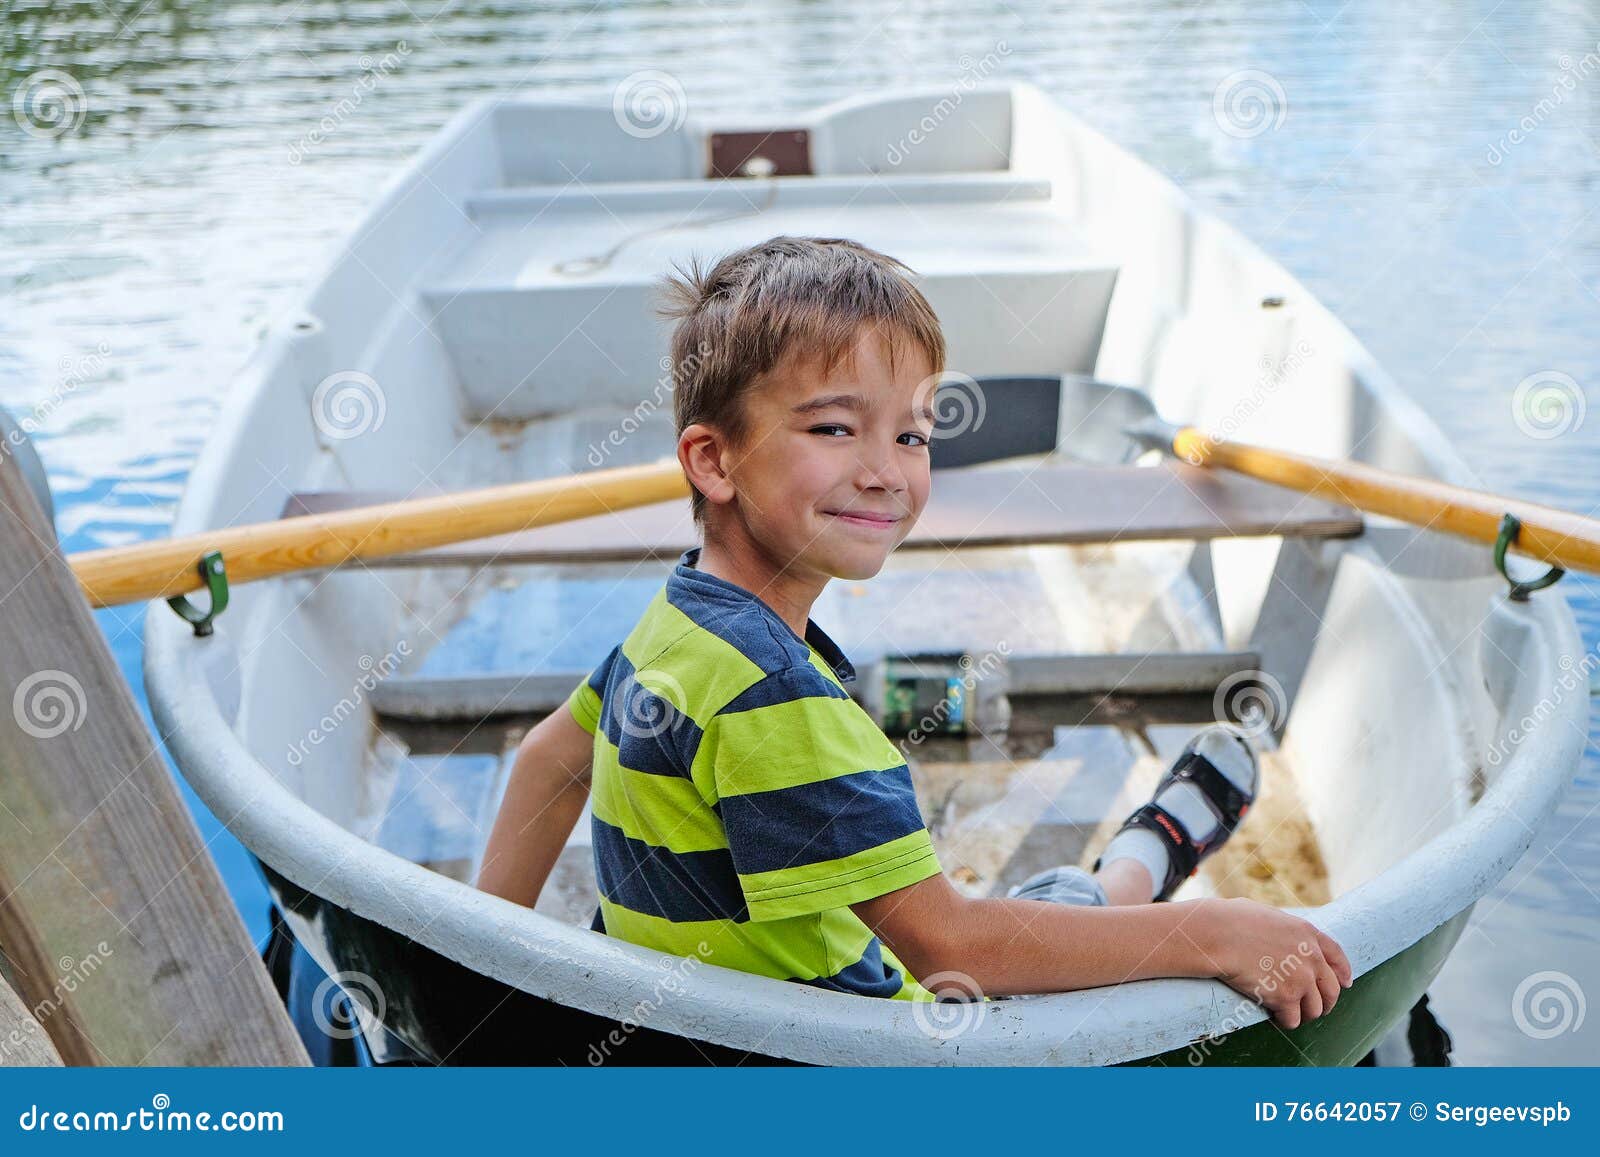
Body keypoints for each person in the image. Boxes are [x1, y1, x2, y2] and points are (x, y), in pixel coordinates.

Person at [477, 235, 1350, 1029]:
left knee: (1051, 908)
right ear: (714, 460)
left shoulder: (670, 627)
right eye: (833, 428)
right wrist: (1218, 934)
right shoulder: (776, 697)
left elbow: (546, 764)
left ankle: (1142, 852)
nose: (885, 471)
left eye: (912, 434)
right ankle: (1151, 853)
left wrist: (486, 986)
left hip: (725, 1032)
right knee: (1066, 928)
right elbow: (958, 948)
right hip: (877, 1055)